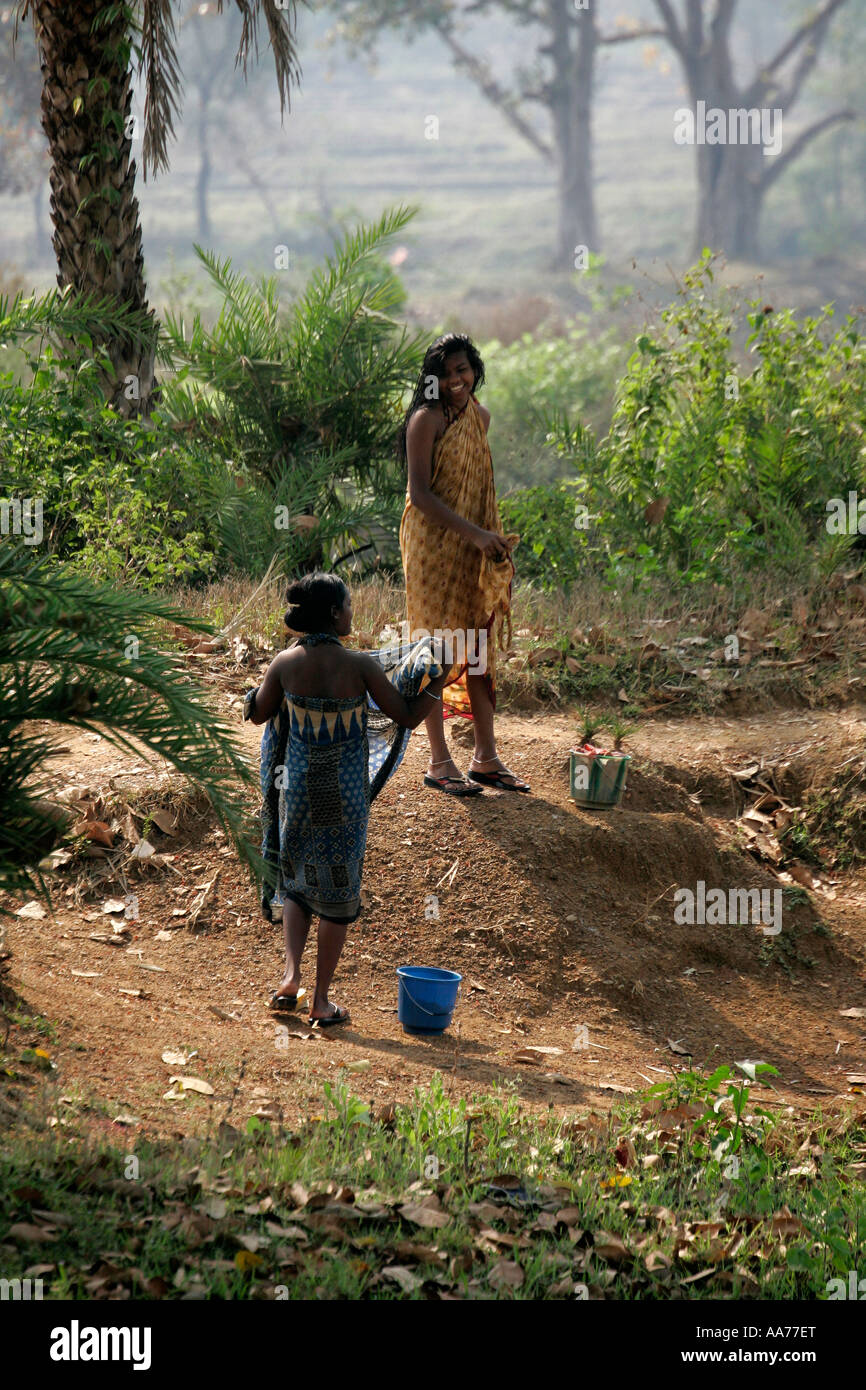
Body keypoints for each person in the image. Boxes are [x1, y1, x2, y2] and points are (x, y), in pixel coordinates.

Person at [246, 572, 448, 1027]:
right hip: (344, 799)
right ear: (334, 613)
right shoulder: (359, 666)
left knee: (297, 880)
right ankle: (321, 1001)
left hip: (295, 792)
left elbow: (258, 712)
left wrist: (253, 697)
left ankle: (290, 977)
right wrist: (440, 682)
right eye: (350, 605)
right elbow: (408, 715)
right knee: (337, 894)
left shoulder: (284, 663)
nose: (354, 613)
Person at [398, 332, 530, 795]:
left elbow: (475, 488)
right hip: (433, 546)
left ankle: (486, 759)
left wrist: (486, 539)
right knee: (435, 649)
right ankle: (438, 762)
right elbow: (421, 495)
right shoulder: (425, 421)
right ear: (432, 379)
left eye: (463, 370)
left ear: (475, 371)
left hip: (472, 545)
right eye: (446, 372)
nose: (456, 380)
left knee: (477, 645)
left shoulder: (481, 418)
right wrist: (475, 535)